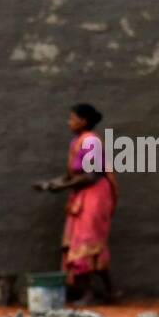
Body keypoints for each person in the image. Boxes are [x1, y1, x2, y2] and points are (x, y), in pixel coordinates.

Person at [34, 103, 119, 305]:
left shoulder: (91, 142)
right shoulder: (77, 142)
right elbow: (72, 174)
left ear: (84, 121)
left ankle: (89, 294)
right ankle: (109, 292)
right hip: (83, 195)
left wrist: (61, 188)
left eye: (72, 118)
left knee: (86, 243)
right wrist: (49, 184)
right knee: (85, 243)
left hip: (95, 195)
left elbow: (90, 175)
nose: (69, 122)